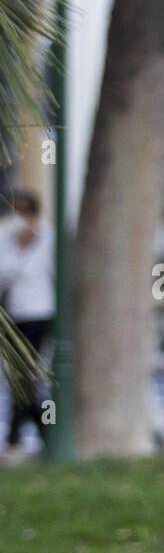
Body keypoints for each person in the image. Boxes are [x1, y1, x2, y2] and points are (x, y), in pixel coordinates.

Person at [0, 190, 55, 462]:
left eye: (25, 212)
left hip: (40, 316)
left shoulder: (47, 239)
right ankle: (46, 434)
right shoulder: (7, 241)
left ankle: (16, 439)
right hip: (14, 318)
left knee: (24, 379)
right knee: (20, 380)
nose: (20, 218)